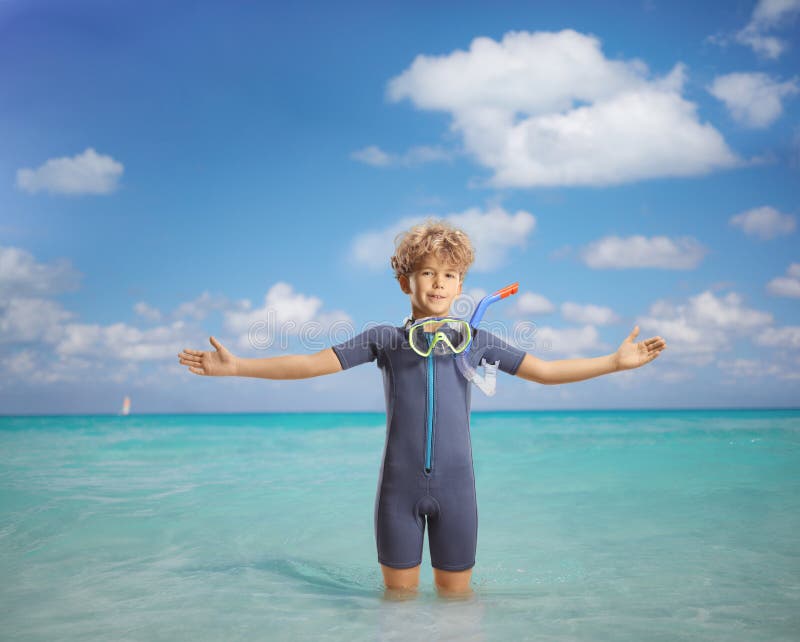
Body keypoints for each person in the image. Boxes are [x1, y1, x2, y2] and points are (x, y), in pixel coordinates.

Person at [177, 219, 667, 598]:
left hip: (458, 491)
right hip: (399, 492)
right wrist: (237, 366)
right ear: (404, 281)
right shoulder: (385, 339)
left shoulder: (474, 342)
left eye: (450, 274)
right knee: (398, 607)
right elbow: (309, 364)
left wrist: (614, 362)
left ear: (461, 285)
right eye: (427, 272)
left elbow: (547, 372)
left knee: (458, 606)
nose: (438, 282)